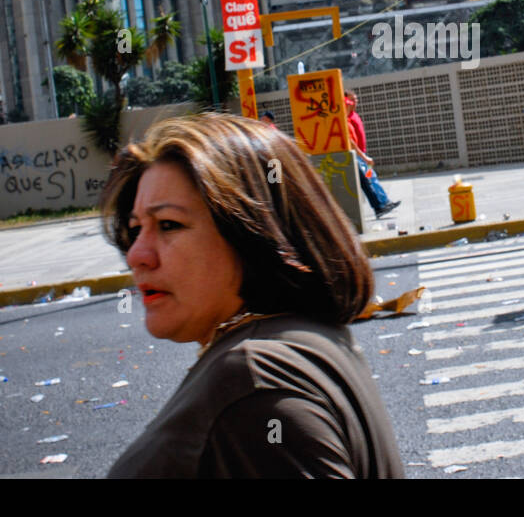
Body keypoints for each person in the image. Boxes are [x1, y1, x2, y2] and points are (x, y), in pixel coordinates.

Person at [102, 113, 404, 478]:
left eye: (168, 225)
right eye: (136, 229)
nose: (137, 255)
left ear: (253, 235)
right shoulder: (297, 339)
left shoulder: (255, 384)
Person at [344, 92, 400, 218]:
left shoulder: (352, 116)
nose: (353, 103)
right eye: (350, 101)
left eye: (355, 100)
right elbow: (351, 141)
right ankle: (382, 203)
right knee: (370, 178)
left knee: (371, 177)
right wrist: (364, 157)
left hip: (361, 153)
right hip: (359, 155)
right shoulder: (346, 120)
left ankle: (384, 202)